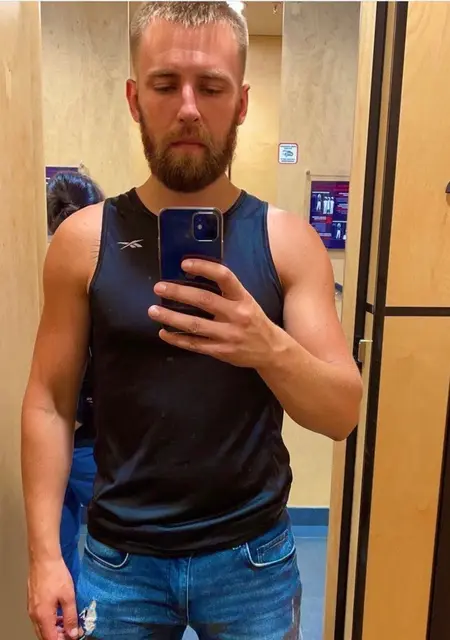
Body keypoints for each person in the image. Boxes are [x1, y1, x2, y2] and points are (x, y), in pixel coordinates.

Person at [22, 3, 363, 640]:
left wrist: (266, 346)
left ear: (242, 103)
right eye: (164, 84)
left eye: (210, 87)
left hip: (253, 562)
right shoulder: (82, 242)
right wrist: (44, 558)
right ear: (134, 98)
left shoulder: (289, 243)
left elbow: (341, 413)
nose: (187, 108)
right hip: (119, 563)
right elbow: (48, 401)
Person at [46, 171, 104, 587]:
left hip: (52, 439)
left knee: (59, 558)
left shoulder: (41, 270)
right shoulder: (102, 274)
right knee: (121, 558)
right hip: (91, 443)